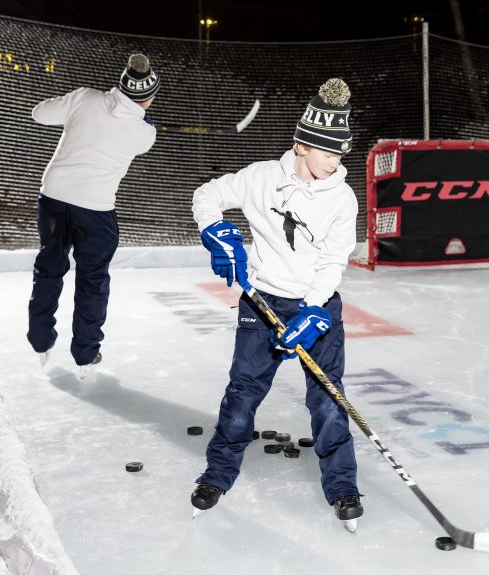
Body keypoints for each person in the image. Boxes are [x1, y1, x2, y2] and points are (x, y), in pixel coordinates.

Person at [189, 78, 364, 530]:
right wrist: (215, 231)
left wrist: (313, 309)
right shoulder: (260, 178)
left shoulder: (342, 198)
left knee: (328, 398)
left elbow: (332, 262)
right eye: (328, 153)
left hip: (318, 306)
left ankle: (342, 486)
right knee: (243, 394)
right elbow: (206, 194)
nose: (335, 163)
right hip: (262, 301)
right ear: (303, 145)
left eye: (341, 154)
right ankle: (217, 474)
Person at [27, 54, 158, 380]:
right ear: (148, 98)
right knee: (92, 281)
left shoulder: (85, 97)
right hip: (95, 211)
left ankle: (40, 340)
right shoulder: (145, 135)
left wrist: (77, 106)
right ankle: (85, 353)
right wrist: (144, 121)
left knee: (50, 267)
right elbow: (138, 133)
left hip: (54, 199)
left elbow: (39, 113)